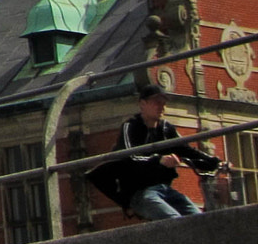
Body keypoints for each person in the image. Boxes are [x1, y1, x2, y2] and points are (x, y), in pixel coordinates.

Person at [94, 82, 221, 220]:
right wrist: (159, 160)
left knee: (198, 218)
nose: (161, 107)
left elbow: (187, 151)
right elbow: (131, 157)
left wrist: (214, 162)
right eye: (156, 102)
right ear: (142, 104)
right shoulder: (131, 127)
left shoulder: (166, 129)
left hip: (165, 189)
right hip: (140, 192)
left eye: (163, 103)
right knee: (173, 219)